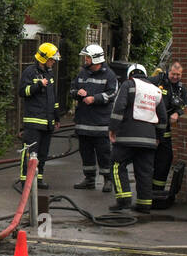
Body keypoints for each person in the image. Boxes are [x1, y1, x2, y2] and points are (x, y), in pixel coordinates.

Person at [108, 63, 166, 216]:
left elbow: (119, 107)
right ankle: (144, 204)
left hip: (127, 137)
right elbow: (163, 118)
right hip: (149, 140)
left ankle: (123, 201)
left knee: (116, 164)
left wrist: (113, 129)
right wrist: (158, 137)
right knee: (145, 172)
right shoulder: (156, 90)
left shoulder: (128, 84)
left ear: (129, 75)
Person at [69, 43, 118, 191]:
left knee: (104, 153)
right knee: (86, 152)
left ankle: (107, 180)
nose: (85, 60)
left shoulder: (109, 75)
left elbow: (112, 93)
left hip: (101, 123)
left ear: (96, 59)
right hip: (83, 122)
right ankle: (89, 179)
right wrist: (77, 93)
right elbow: (72, 88)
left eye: (88, 58)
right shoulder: (82, 73)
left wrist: (94, 98)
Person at [17, 41, 63, 189]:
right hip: (34, 121)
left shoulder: (49, 74)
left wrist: (56, 117)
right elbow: (22, 91)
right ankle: (25, 180)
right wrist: (38, 85)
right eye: (51, 59)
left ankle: (39, 178)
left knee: (43, 153)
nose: (53, 63)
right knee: (31, 152)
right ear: (43, 58)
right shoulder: (30, 72)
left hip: (47, 121)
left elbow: (53, 99)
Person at [152, 60, 186, 194]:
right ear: (168, 71)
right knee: (148, 163)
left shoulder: (181, 89)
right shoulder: (157, 81)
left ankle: (158, 191)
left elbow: (183, 105)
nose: (175, 77)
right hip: (152, 131)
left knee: (165, 161)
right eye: (173, 74)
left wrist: (178, 113)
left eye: (178, 75)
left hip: (165, 134)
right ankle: (145, 192)